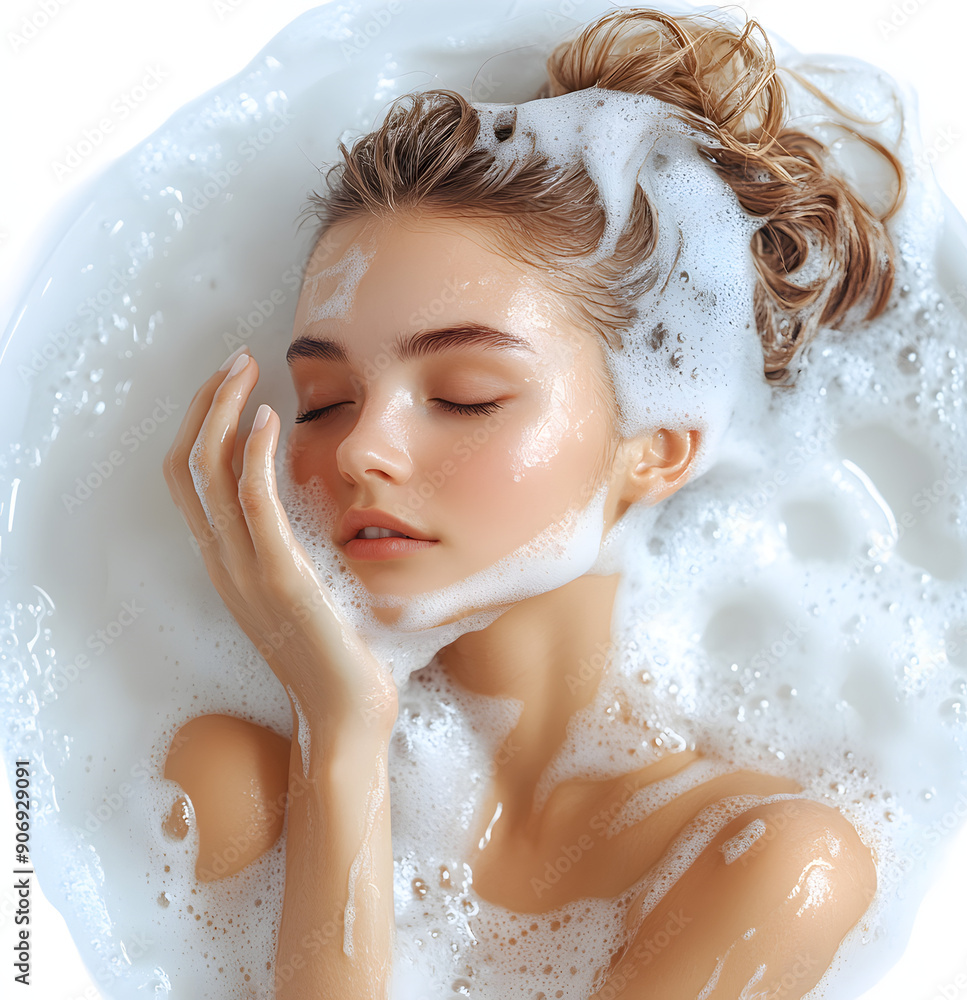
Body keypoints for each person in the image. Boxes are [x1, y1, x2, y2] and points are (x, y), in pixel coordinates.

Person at [161, 8, 903, 998]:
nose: (360, 449)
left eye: (465, 393)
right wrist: (338, 730)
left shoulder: (767, 862)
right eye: (324, 401)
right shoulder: (230, 785)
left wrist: (344, 737)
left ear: (655, 445)